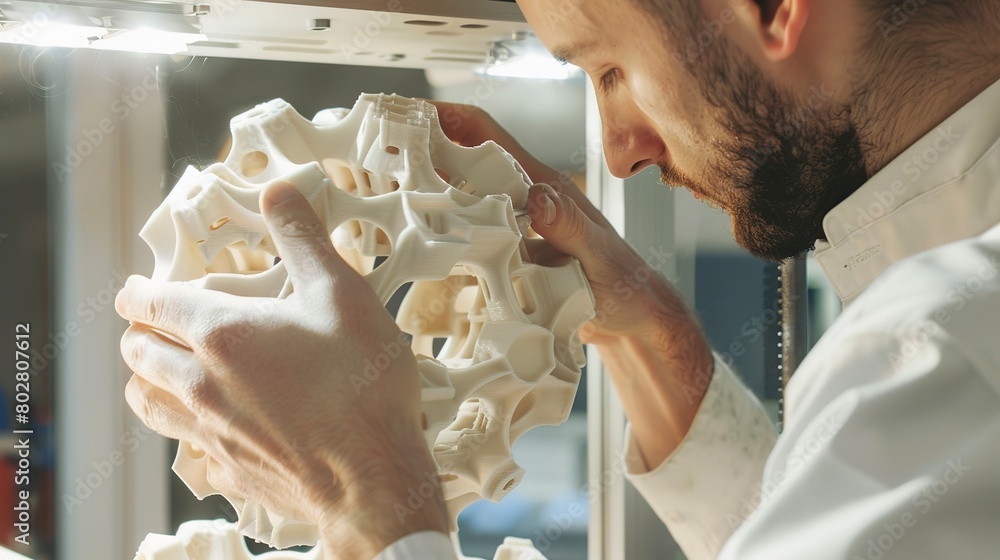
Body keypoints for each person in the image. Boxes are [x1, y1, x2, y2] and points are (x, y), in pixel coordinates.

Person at [115, 0, 1000, 558]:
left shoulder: (935, 352)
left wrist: (366, 492)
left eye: (609, 69)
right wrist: (657, 339)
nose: (616, 148)